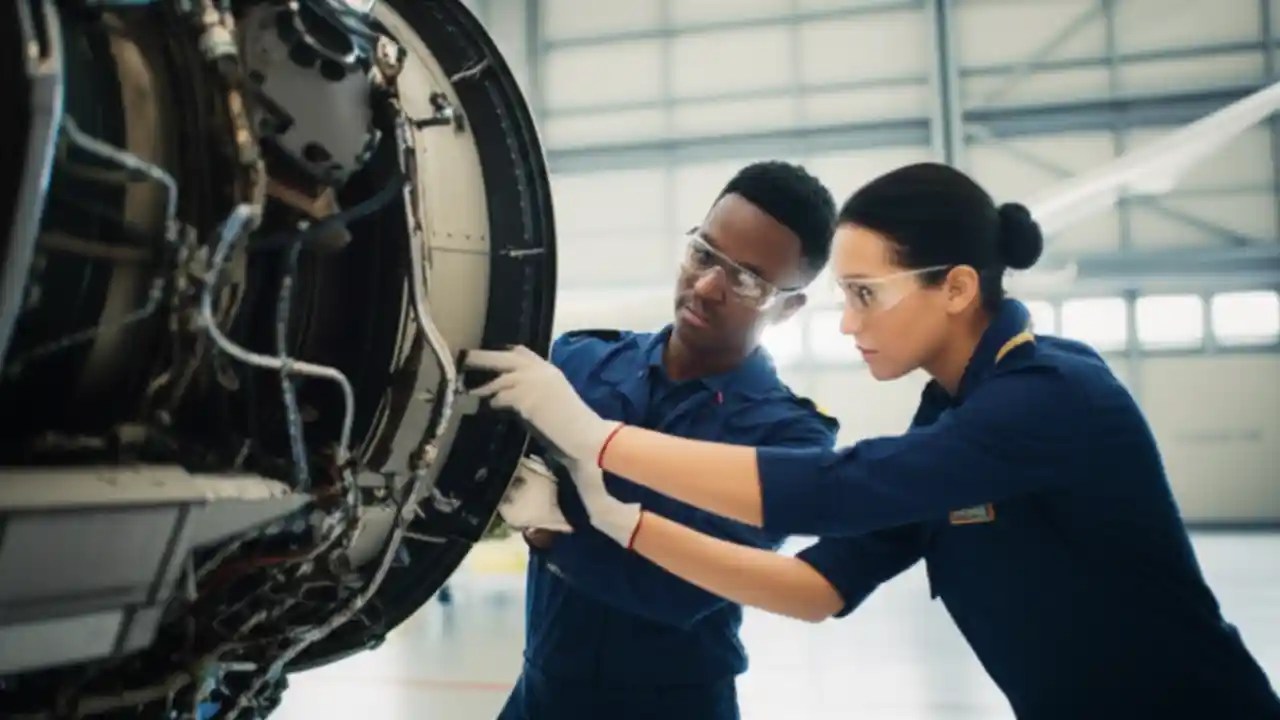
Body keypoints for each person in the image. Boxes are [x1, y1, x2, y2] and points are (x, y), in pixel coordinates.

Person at [469, 162, 1280, 720]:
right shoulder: (947, 425)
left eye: (864, 295)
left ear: (956, 288)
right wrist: (618, 524)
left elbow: (834, 489)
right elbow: (818, 586)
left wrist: (593, 442)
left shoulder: (1052, 399)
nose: (849, 322)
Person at [492, 161, 842, 720]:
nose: (706, 288)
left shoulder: (786, 441)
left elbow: (679, 593)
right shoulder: (576, 366)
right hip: (542, 693)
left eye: (746, 280)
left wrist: (548, 530)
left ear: (789, 306)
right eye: (704, 255)